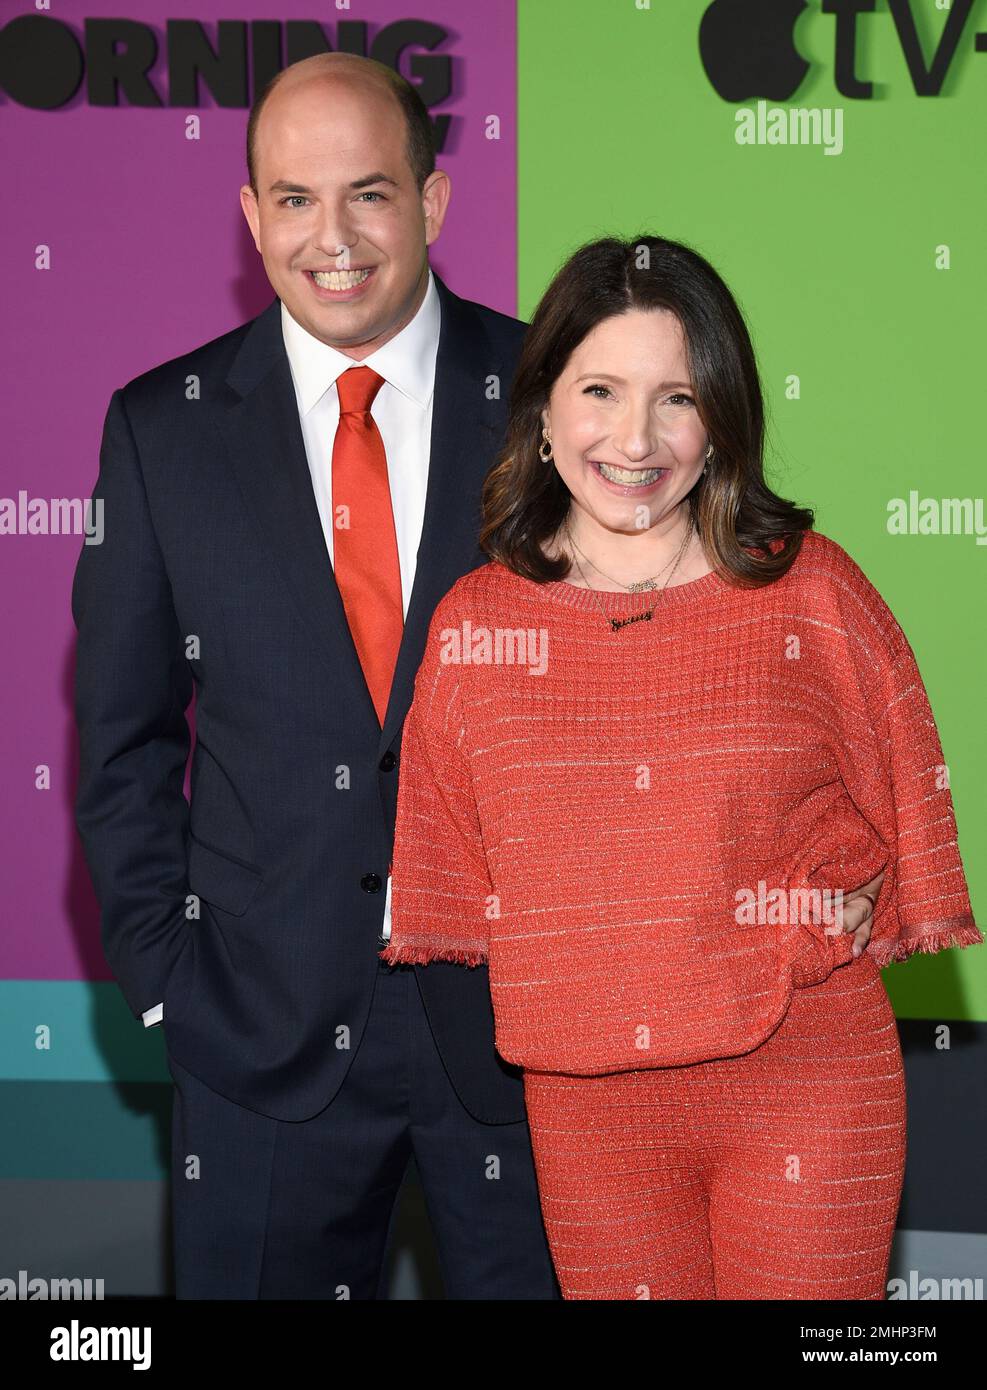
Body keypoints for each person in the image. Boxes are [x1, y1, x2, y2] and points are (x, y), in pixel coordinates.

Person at [379, 233, 982, 1300]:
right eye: (601, 389)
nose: (635, 437)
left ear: (721, 423)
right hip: (589, 1109)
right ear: (544, 408)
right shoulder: (475, 628)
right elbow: (447, 871)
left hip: (805, 1075)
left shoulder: (809, 590)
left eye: (678, 397)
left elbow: (910, 805)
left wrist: (860, 892)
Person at [71, 52, 559, 1299]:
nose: (331, 238)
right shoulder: (161, 427)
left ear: (435, 203)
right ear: (249, 216)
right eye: (293, 199)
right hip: (259, 1041)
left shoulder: (556, 409)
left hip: (528, 1040)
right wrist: (173, 991)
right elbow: (119, 746)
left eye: (370, 195)